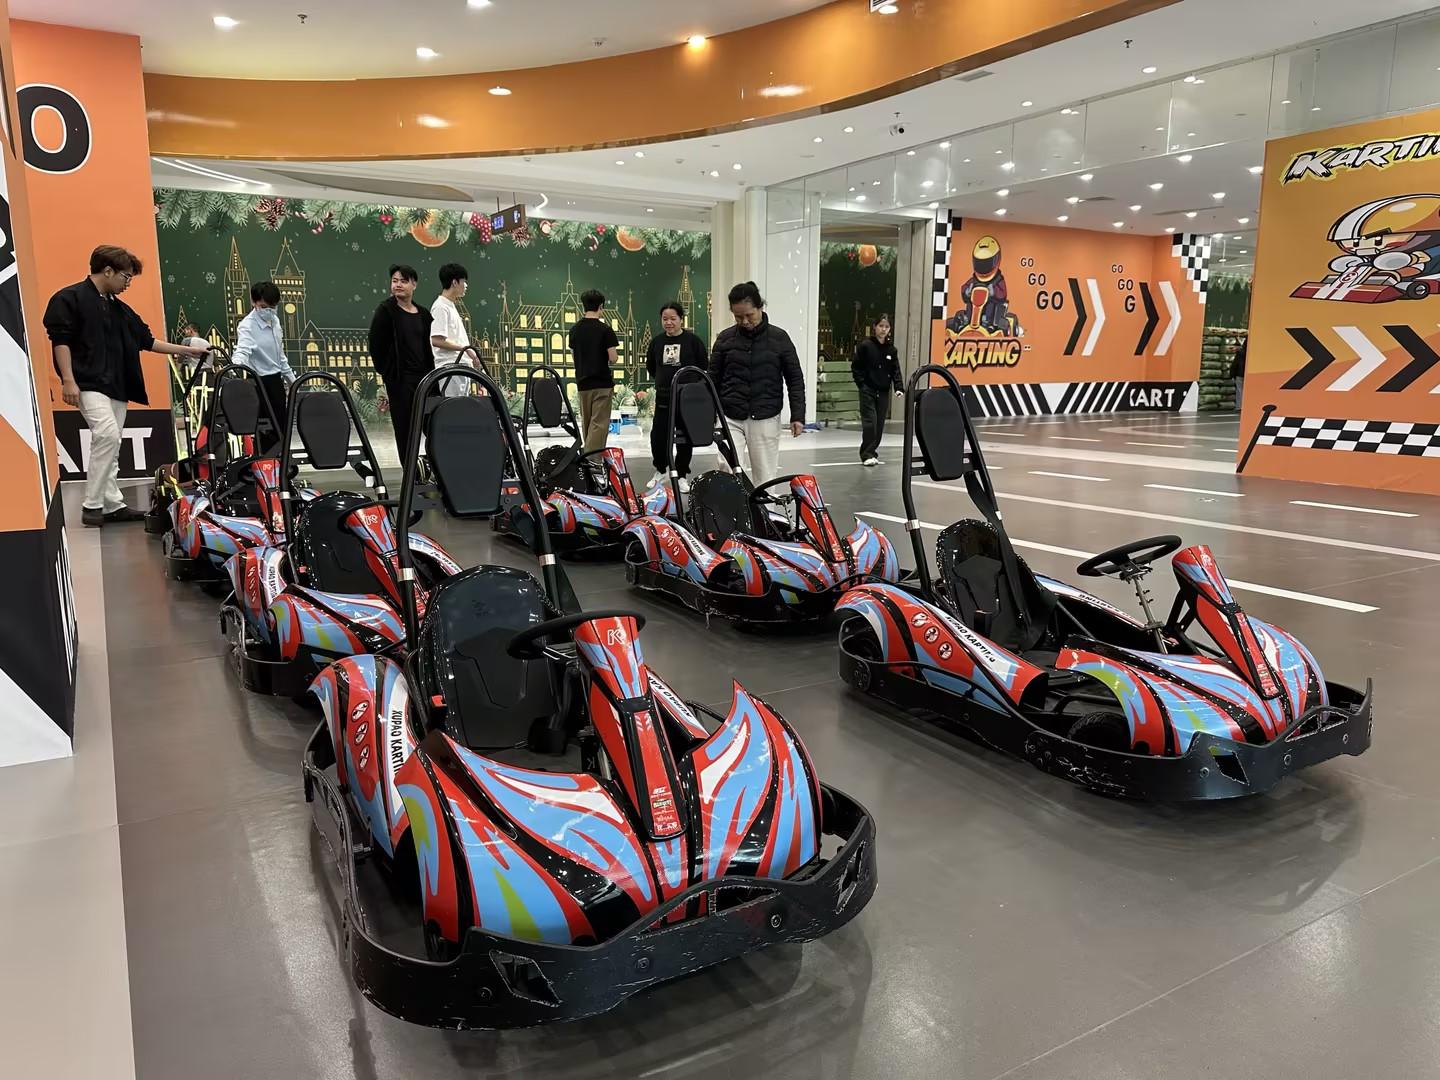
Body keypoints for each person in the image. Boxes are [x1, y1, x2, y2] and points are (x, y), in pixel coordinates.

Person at [44, 245, 209, 527]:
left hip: (118, 385)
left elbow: (147, 341)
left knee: (111, 441)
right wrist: (68, 380)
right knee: (107, 434)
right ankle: (92, 505)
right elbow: (60, 341)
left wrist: (187, 351)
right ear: (108, 271)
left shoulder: (120, 309)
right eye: (126, 276)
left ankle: (112, 504)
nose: (128, 283)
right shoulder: (69, 298)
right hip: (87, 383)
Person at [709, 281, 805, 483]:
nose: (744, 321)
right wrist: (709, 417)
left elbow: (794, 378)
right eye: (738, 317)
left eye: (749, 315)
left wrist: (798, 415)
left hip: (765, 415)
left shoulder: (780, 338)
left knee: (765, 475)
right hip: (730, 416)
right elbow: (713, 379)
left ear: (760, 307)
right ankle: (734, 504)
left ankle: (763, 505)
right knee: (727, 469)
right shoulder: (725, 339)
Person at [368, 264, 433, 459]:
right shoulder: (386, 310)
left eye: (403, 281)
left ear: (414, 284)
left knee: (433, 424)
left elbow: (430, 346)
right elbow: (376, 344)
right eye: (394, 281)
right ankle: (410, 471)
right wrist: (388, 373)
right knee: (405, 430)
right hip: (400, 380)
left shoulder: (423, 314)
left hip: (426, 379)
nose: (398, 285)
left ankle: (436, 467)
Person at [644, 300, 708, 489]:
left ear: (681, 319)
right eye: (665, 319)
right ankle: (661, 470)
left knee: (685, 436)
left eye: (673, 318)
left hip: (686, 399)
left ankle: (681, 475)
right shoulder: (657, 342)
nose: (668, 322)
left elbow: (702, 366)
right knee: (658, 436)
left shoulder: (693, 342)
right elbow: (651, 366)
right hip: (664, 397)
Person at [231, 281, 296, 454]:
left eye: (273, 307)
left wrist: (293, 381)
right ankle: (264, 464)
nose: (269, 310)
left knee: (281, 427)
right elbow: (242, 350)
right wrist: (235, 365)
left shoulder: (275, 321)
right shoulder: (247, 325)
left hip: (276, 382)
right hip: (258, 383)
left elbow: (280, 357)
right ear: (253, 302)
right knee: (266, 429)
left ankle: (281, 463)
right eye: (264, 306)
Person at [569, 288, 617, 452]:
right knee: (599, 424)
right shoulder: (605, 330)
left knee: (587, 423)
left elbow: (574, 356)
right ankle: (592, 458)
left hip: (583, 383)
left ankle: (588, 455)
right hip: (602, 383)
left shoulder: (574, 330)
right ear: (601, 306)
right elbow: (613, 357)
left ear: (583, 306)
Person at [852, 313, 903, 466]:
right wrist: (861, 384)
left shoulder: (891, 350)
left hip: (883, 392)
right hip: (868, 390)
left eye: (886, 326)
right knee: (870, 423)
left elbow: (895, 370)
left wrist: (898, 387)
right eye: (881, 326)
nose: (883, 329)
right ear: (874, 327)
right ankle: (866, 454)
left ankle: (872, 451)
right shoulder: (865, 346)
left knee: (879, 424)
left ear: (890, 329)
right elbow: (856, 367)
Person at [430, 262, 472, 397]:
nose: (466, 285)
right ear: (454, 282)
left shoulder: (450, 306)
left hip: (459, 368)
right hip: (450, 368)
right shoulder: (440, 307)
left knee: (462, 406)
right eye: (463, 281)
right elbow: (436, 340)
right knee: (454, 407)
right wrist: (465, 349)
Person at [1232, 336, 1247, 411]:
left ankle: (1239, 406)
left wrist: (1232, 374)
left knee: (1239, 390)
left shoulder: (1240, 352)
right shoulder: (1253, 353)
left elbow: (1235, 364)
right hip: (1249, 374)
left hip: (1240, 374)